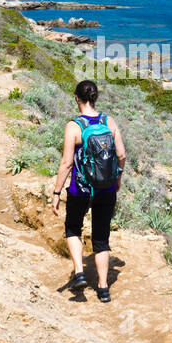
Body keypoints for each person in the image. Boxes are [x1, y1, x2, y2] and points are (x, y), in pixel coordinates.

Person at [49, 79, 127, 302]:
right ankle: (103, 288)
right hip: (106, 188)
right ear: (95, 98)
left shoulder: (74, 126)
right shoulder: (108, 121)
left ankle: (80, 273)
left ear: (77, 98)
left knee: (73, 228)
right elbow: (121, 155)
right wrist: (117, 178)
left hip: (80, 188)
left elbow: (66, 163)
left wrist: (56, 193)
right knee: (101, 238)